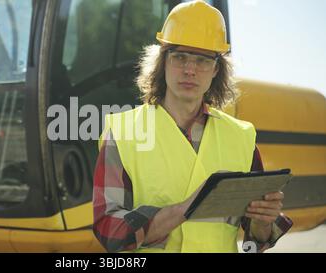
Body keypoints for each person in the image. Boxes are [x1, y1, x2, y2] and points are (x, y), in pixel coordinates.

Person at [92, 0, 292, 253]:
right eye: (180, 57)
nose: (190, 69)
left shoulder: (241, 137)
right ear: (163, 62)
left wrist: (263, 223)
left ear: (216, 69)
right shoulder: (122, 132)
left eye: (202, 60)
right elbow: (108, 229)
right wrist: (184, 209)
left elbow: (254, 241)